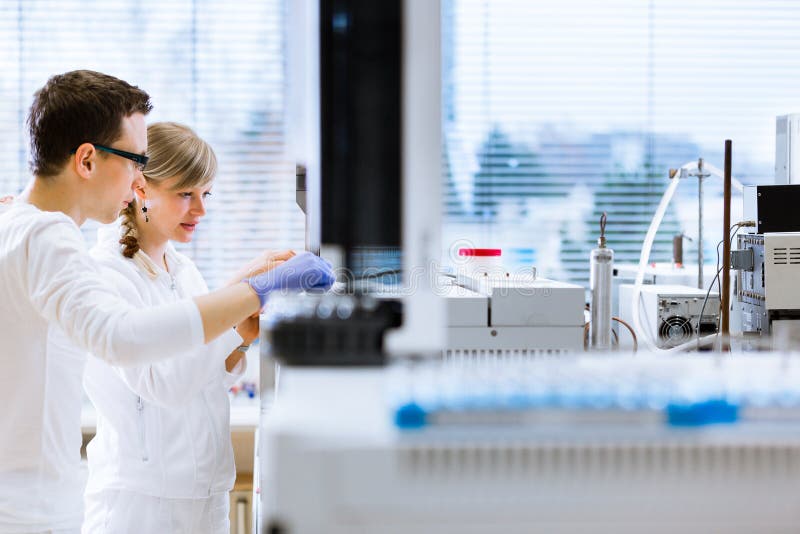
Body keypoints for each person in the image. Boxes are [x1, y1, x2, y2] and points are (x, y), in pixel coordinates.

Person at [0, 70, 333, 533]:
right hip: (39, 509)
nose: (139, 177)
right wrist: (253, 290)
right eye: (135, 160)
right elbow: (124, 338)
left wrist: (237, 312)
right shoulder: (49, 237)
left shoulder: (19, 225)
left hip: (39, 501)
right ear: (87, 160)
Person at [80, 122, 286, 532]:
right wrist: (237, 304)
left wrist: (242, 339)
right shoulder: (107, 275)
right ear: (140, 188)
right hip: (141, 505)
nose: (201, 210)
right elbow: (165, 383)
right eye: (185, 194)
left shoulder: (184, 270)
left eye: (205, 194)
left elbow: (206, 370)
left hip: (204, 494)